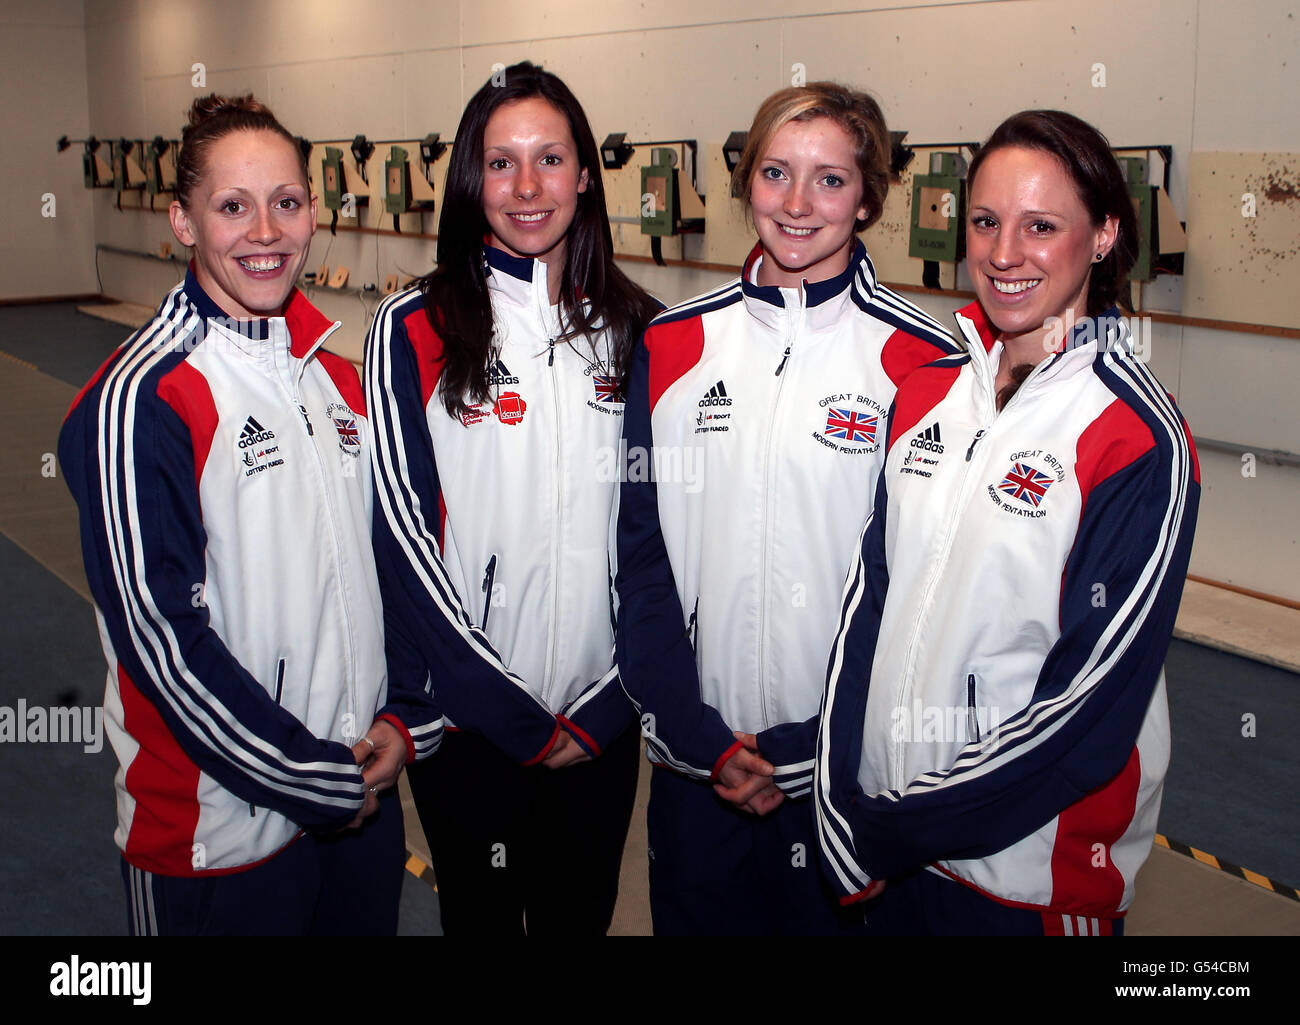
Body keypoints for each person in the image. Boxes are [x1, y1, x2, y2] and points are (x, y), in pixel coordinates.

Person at [58, 94, 442, 936]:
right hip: (218, 836)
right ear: (183, 221)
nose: (266, 231)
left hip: (359, 807)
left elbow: (393, 571)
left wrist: (402, 719)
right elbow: (164, 645)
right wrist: (311, 778)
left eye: (287, 202)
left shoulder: (338, 381)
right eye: (233, 206)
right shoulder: (141, 400)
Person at [814, 109, 1200, 935]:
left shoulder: (1134, 437)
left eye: (1041, 226)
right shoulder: (926, 393)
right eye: (985, 222)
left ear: (1102, 236)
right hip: (887, 844)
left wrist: (901, 826)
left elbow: (1087, 713)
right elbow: (869, 605)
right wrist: (838, 795)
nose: (1002, 253)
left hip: (1022, 880)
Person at [615, 82, 958, 935]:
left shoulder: (924, 364)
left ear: (870, 196)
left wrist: (820, 744)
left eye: (830, 180)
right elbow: (639, 559)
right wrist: (699, 738)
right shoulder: (670, 346)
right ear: (746, 184)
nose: (798, 204)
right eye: (776, 173)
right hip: (700, 774)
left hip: (842, 778)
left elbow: (926, 595)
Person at [365, 61, 660, 936]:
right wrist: (510, 716)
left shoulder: (640, 328)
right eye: (501, 163)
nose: (528, 187)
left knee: (580, 923)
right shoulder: (414, 325)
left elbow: (658, 538)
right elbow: (402, 536)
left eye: (550, 158)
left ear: (584, 175)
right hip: (472, 730)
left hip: (603, 724)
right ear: (470, 178)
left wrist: (609, 707)